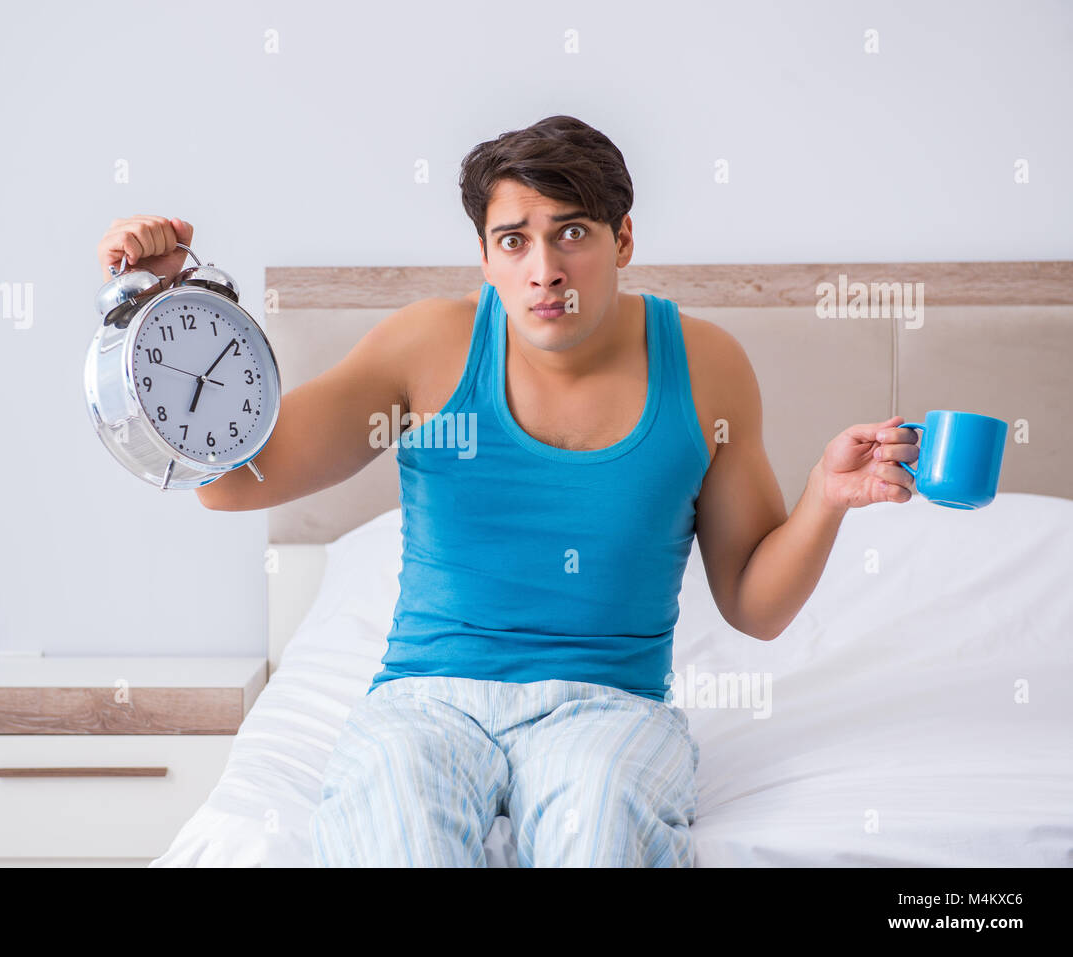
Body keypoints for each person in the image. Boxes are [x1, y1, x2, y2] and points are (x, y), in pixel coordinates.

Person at [98, 115, 920, 867]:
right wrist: (173, 302)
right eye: (514, 241)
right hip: (426, 703)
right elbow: (235, 481)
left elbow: (752, 602)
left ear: (623, 237)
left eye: (572, 233)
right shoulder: (429, 348)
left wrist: (824, 496)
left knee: (600, 814)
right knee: (394, 810)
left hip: (609, 707)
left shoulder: (706, 367)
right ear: (485, 256)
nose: (545, 270)